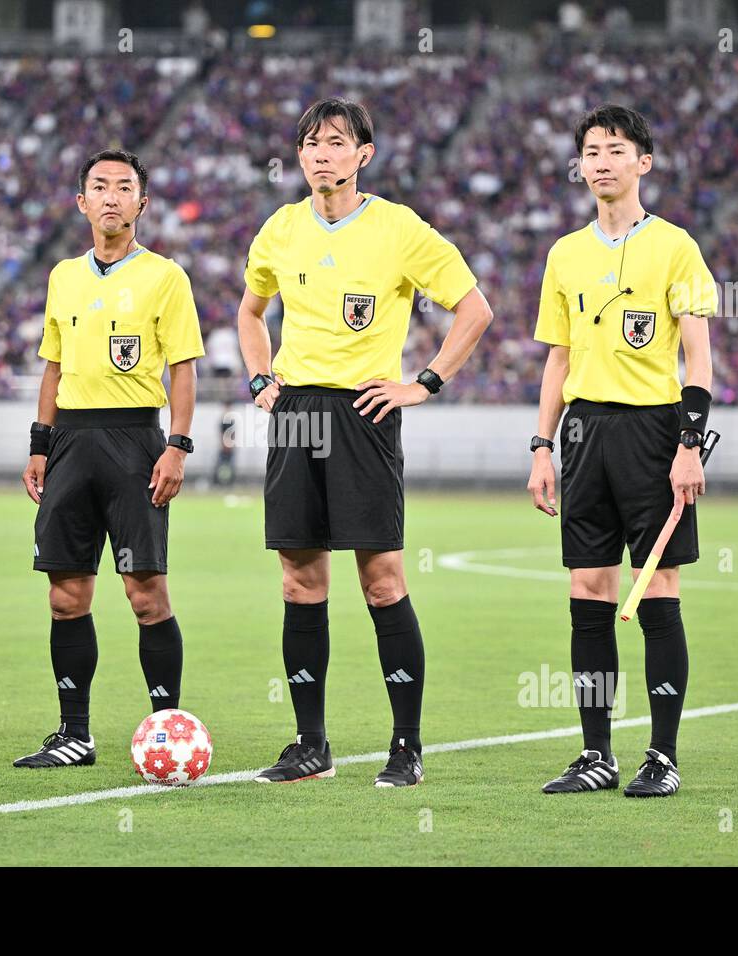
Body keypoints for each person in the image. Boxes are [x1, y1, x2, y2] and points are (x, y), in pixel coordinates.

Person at [237, 97, 493, 787]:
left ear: (363, 155)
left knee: (381, 581)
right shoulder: (281, 230)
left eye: (337, 142)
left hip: (364, 411)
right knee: (299, 579)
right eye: (311, 143)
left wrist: (425, 382)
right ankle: (309, 745)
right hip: (295, 414)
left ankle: (405, 747)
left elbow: (475, 308)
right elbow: (250, 310)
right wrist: (260, 374)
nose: (323, 153)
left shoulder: (400, 230)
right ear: (299, 156)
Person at [527, 105, 717, 797]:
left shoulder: (676, 246)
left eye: (615, 149)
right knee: (588, 592)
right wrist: (542, 446)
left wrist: (690, 445)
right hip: (583, 434)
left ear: (645, 161)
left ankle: (661, 756)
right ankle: (595, 753)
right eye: (590, 151)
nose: (600, 161)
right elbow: (556, 359)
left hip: (654, 433)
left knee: (658, 591)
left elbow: (697, 359)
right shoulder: (564, 254)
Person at [14, 149, 204, 769]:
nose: (113, 197)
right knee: (66, 596)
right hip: (70, 442)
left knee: (146, 593)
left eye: (125, 187)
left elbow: (183, 370)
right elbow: (53, 366)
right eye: (101, 187)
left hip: (135, 443)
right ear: (83, 203)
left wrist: (176, 446)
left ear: (142, 203)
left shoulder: (166, 278)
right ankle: (74, 733)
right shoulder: (63, 276)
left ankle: (165, 727)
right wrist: (41, 445)